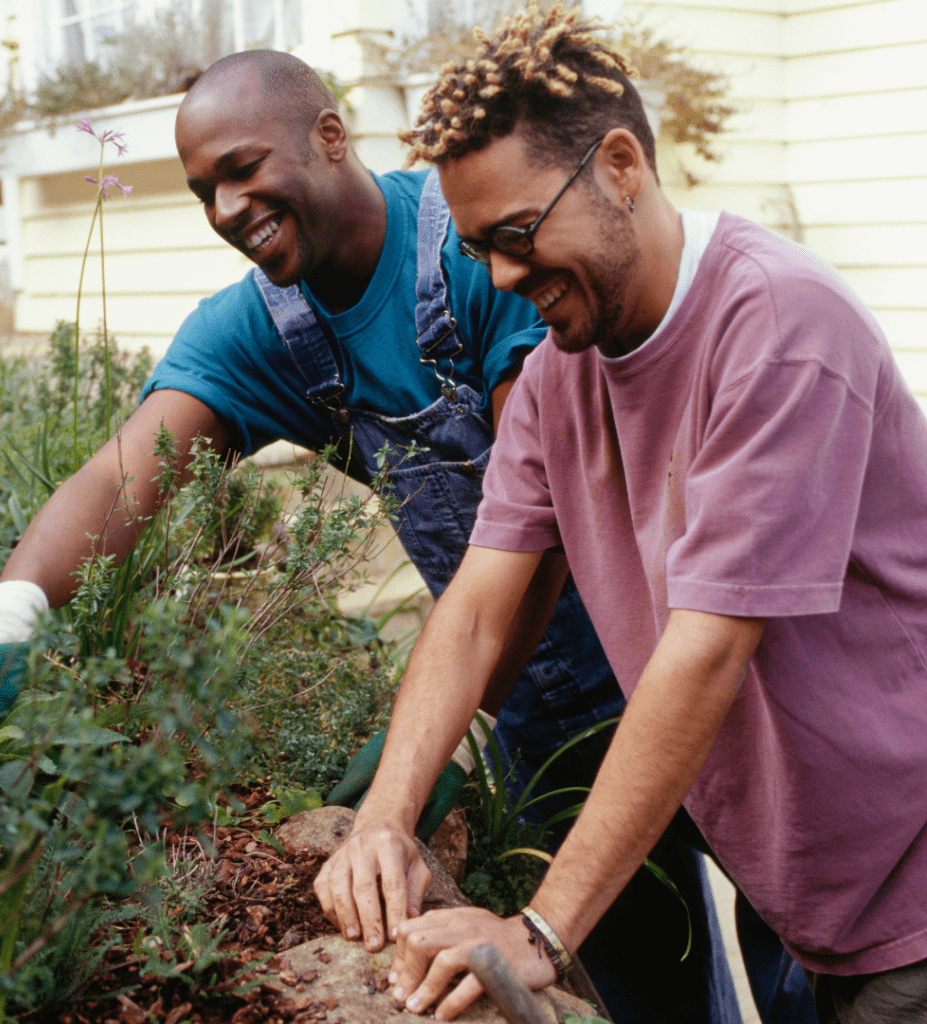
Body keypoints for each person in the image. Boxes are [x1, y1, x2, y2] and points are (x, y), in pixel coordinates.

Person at [0, 48, 802, 1024]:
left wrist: (446, 741)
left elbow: (540, 528)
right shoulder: (260, 326)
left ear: (329, 136)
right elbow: (126, 473)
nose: (225, 207)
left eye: (244, 167)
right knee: (647, 984)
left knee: (804, 948)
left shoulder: (488, 244)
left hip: (698, 660)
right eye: (204, 188)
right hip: (541, 722)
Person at [313, 5, 927, 1024]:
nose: (506, 276)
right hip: (803, 897)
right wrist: (385, 819)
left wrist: (540, 931)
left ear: (619, 165)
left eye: (518, 234)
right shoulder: (561, 376)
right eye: (479, 253)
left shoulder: (775, 329)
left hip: (907, 893)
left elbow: (704, 652)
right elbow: (476, 608)